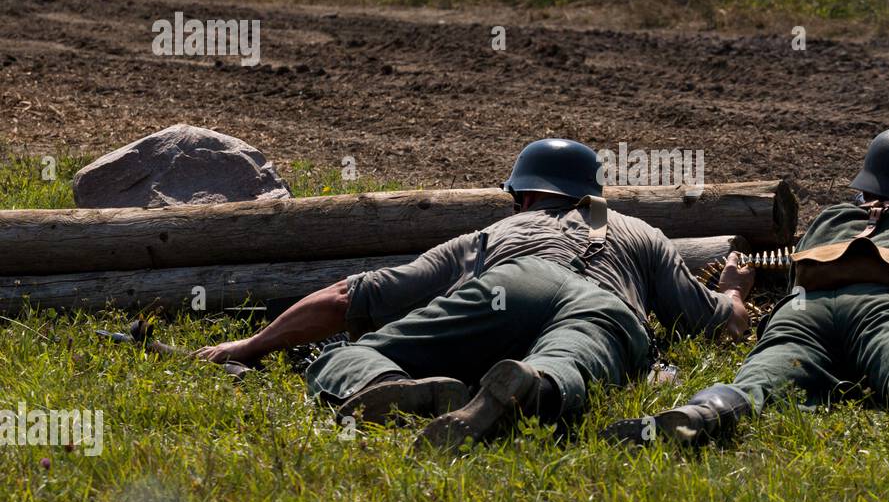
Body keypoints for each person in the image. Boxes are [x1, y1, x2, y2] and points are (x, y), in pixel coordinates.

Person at [197, 138, 754, 448]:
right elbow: (715, 324)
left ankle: (391, 384)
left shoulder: (492, 235)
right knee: (565, 368)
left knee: (348, 353)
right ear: (594, 194)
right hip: (602, 309)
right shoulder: (643, 234)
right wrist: (732, 291)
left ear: (521, 197)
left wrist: (246, 347)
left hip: (511, 285)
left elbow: (350, 298)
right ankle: (529, 385)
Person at [606, 127, 889, 448]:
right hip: (883, 303)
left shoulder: (833, 217)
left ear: (868, 185)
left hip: (804, 310)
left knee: (764, 375)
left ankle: (708, 412)